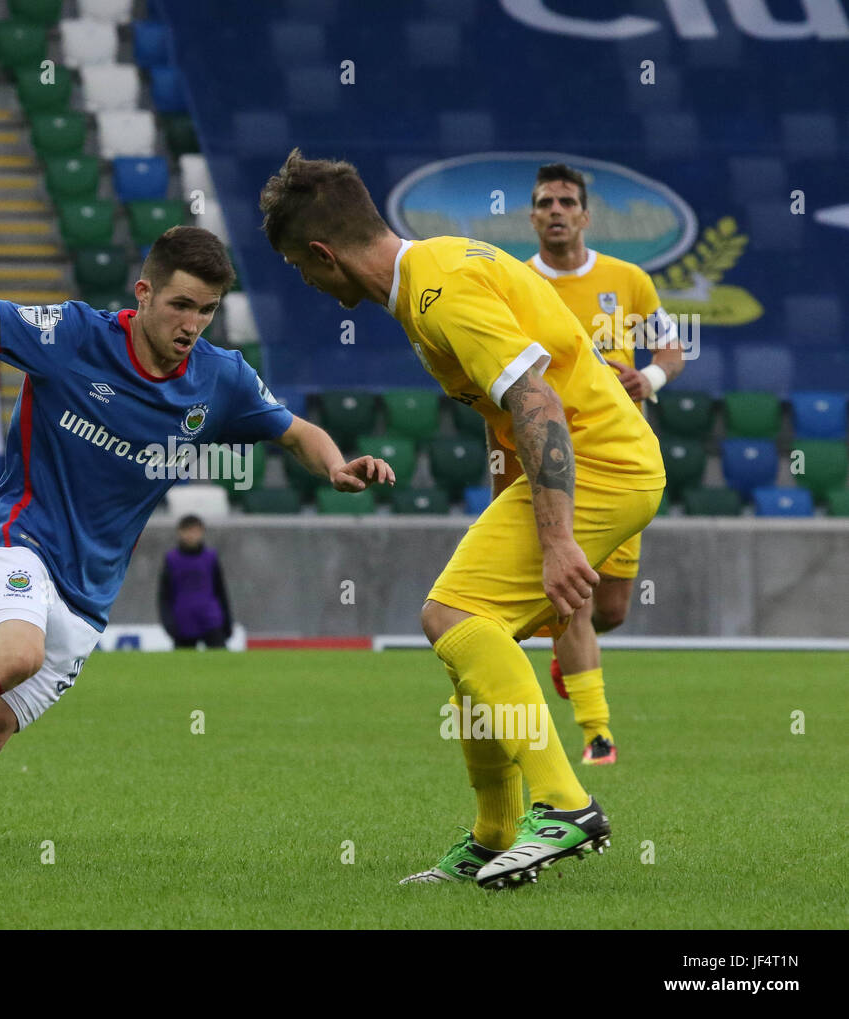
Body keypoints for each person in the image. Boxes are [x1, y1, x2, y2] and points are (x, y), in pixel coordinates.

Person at [0, 226, 394, 865]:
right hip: (21, 539)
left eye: (206, 310)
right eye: (180, 305)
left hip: (91, 591)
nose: (192, 324)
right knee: (17, 657)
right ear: (144, 293)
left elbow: (294, 430)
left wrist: (336, 465)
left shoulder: (219, 379)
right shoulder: (74, 335)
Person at [259, 150, 664, 889]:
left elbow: (537, 401)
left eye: (299, 268)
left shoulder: (438, 291)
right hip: (597, 457)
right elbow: (506, 407)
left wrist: (557, 538)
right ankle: (493, 837)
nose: (308, 283)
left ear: (323, 253)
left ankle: (565, 803)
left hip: (604, 461)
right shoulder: (432, 274)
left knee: (451, 613)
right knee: (470, 635)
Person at [502, 162, 686, 765]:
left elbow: (671, 345)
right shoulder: (511, 281)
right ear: (531, 216)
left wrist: (650, 375)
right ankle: (597, 735)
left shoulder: (627, 280)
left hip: (618, 455)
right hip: (550, 458)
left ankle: (562, 650)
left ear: (584, 214)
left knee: (610, 609)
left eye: (566, 201)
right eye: (544, 202)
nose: (555, 210)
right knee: (572, 600)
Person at [158, 515, 232, 648]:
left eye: (195, 531)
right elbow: (165, 595)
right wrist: (168, 622)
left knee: (220, 661)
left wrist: (227, 622)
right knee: (183, 666)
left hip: (210, 618)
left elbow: (220, 591)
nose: (191, 535)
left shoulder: (211, 557)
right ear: (179, 532)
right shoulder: (171, 559)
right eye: (187, 531)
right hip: (183, 620)